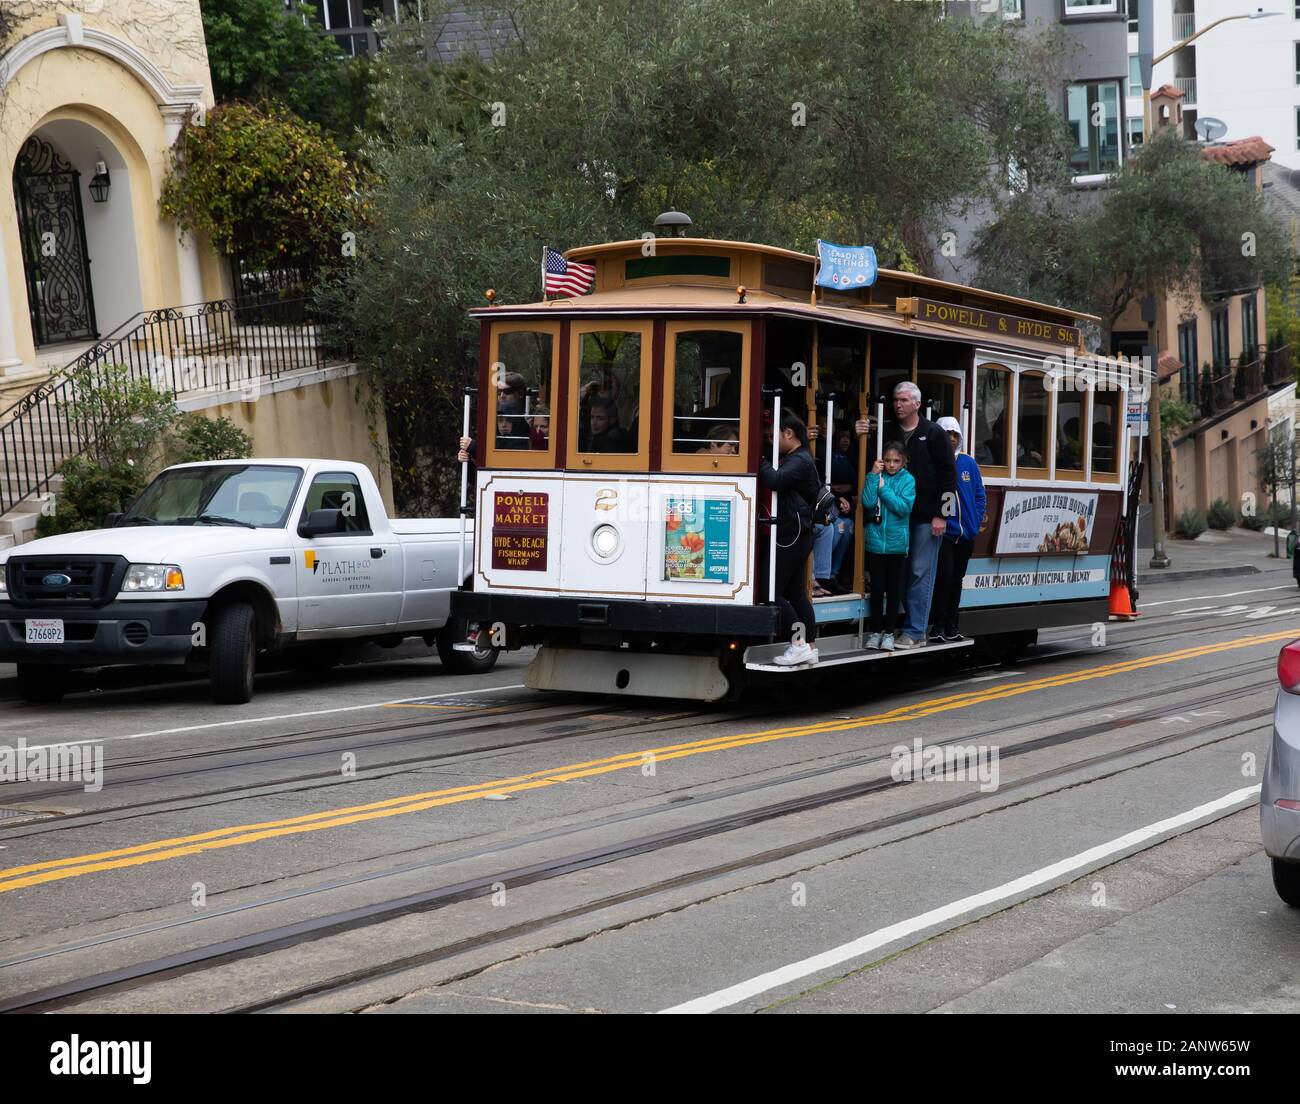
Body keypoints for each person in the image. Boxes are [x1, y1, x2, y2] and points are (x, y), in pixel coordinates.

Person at [855, 381, 955, 649]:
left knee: (920, 572)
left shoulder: (934, 433)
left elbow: (949, 476)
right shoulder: (886, 431)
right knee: (896, 575)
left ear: (917, 404)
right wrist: (860, 434)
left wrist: (942, 516)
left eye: (903, 400)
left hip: (925, 517)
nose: (898, 404)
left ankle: (915, 631)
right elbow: (866, 462)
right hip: (893, 518)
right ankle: (890, 629)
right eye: (895, 400)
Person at [758, 413, 821, 667]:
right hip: (798, 532)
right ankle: (810, 647)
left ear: (789, 433)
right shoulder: (799, 458)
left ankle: (798, 645)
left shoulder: (800, 459)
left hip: (790, 534)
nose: (772, 441)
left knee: (770, 589)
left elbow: (776, 480)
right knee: (795, 593)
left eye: (775, 436)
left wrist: (758, 458)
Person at [928, 416, 986, 643]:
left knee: (957, 579)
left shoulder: (968, 462)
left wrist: (974, 520)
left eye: (955, 435)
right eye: (947, 434)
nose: (951, 439)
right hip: (946, 534)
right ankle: (939, 624)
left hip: (966, 534)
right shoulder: (935, 462)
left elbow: (979, 494)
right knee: (945, 577)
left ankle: (953, 624)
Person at [861, 442, 915, 652]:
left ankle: (890, 634)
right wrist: (873, 476)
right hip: (875, 544)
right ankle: (875, 633)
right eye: (888, 460)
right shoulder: (876, 475)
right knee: (876, 591)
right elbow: (866, 502)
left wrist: (883, 490)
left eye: (896, 461)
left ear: (903, 461)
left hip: (897, 546)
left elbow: (904, 507)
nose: (892, 465)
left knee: (894, 593)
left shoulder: (908, 480)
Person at [812, 428, 856, 595]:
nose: (845, 441)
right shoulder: (822, 451)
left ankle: (831, 574)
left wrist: (849, 489)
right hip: (820, 508)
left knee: (848, 525)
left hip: (834, 506)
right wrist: (837, 496)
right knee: (835, 528)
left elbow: (853, 477)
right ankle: (817, 574)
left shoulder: (842, 455)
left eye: (848, 437)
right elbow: (820, 485)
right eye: (842, 436)